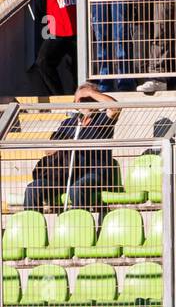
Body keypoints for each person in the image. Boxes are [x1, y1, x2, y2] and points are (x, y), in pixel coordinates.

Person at [23, 84, 121, 213]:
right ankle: (32, 229)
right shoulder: (68, 123)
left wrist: (90, 92)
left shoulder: (102, 119)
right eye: (80, 99)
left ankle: (79, 229)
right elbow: (49, 150)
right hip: (65, 176)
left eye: (88, 99)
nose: (84, 102)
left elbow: (116, 107)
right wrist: (58, 146)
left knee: (77, 188)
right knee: (33, 188)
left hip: (93, 175)